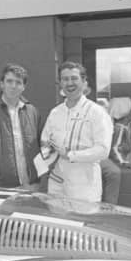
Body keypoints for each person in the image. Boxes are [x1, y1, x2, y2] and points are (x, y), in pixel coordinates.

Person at [41, 61, 113, 203]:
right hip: (57, 183)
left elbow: (103, 150)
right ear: (60, 83)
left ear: (84, 82)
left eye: (74, 78)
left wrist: (71, 155)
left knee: (79, 224)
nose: (69, 83)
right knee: (57, 223)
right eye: (65, 79)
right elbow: (45, 142)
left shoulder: (97, 112)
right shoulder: (55, 112)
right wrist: (44, 159)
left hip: (84, 188)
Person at [108, 97, 131, 169]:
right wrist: (123, 162)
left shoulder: (121, 127)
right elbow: (114, 149)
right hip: (117, 168)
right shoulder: (119, 129)